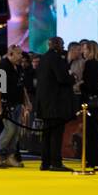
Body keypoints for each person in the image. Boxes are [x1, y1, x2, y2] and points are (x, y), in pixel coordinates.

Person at [34, 37, 73, 170]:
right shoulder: (57, 59)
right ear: (56, 45)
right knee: (56, 135)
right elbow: (62, 78)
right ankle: (56, 163)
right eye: (62, 44)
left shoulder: (43, 59)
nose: (63, 47)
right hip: (56, 104)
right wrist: (72, 77)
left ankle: (45, 162)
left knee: (47, 135)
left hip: (45, 103)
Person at [0, 44, 26, 167]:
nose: (21, 56)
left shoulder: (18, 67)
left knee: (16, 131)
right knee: (10, 130)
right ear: (11, 54)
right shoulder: (1, 67)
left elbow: (22, 86)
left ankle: (10, 156)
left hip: (17, 102)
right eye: (19, 53)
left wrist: (26, 101)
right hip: (7, 104)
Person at [79, 40, 98, 170]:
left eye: (85, 49)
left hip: (90, 103)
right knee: (95, 132)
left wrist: (80, 85)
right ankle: (96, 160)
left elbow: (89, 86)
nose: (83, 52)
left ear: (90, 50)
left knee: (92, 133)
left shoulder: (90, 64)